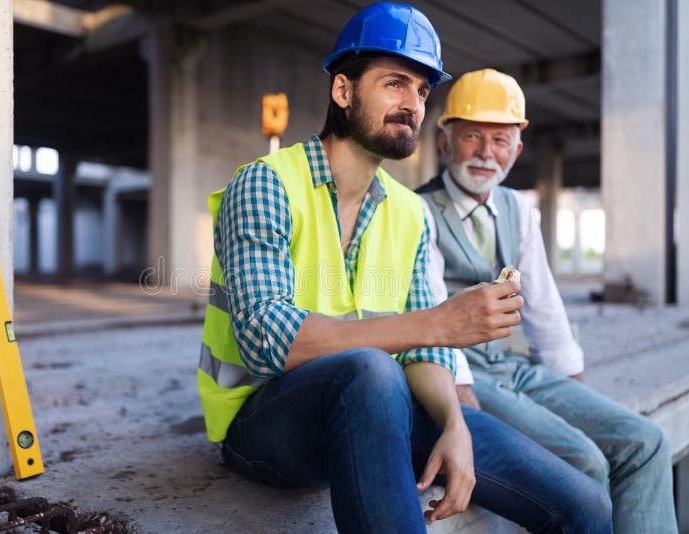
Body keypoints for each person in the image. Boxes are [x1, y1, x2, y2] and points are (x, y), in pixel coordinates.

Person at [198, 3, 612, 532]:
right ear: (343, 92)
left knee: (585, 507)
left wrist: (455, 422)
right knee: (370, 368)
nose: (412, 104)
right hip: (263, 423)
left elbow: (423, 349)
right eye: (395, 83)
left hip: (375, 409)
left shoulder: (408, 211)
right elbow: (265, 339)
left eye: (421, 91)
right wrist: (438, 323)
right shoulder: (266, 184)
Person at [416, 67, 678, 534]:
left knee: (646, 441)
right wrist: (457, 398)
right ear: (444, 142)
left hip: (517, 370)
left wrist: (571, 390)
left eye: (500, 141)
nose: (485, 153)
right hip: (463, 376)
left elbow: (545, 310)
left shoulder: (519, 209)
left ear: (516, 152)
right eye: (472, 136)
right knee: (583, 461)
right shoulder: (416, 211)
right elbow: (429, 307)